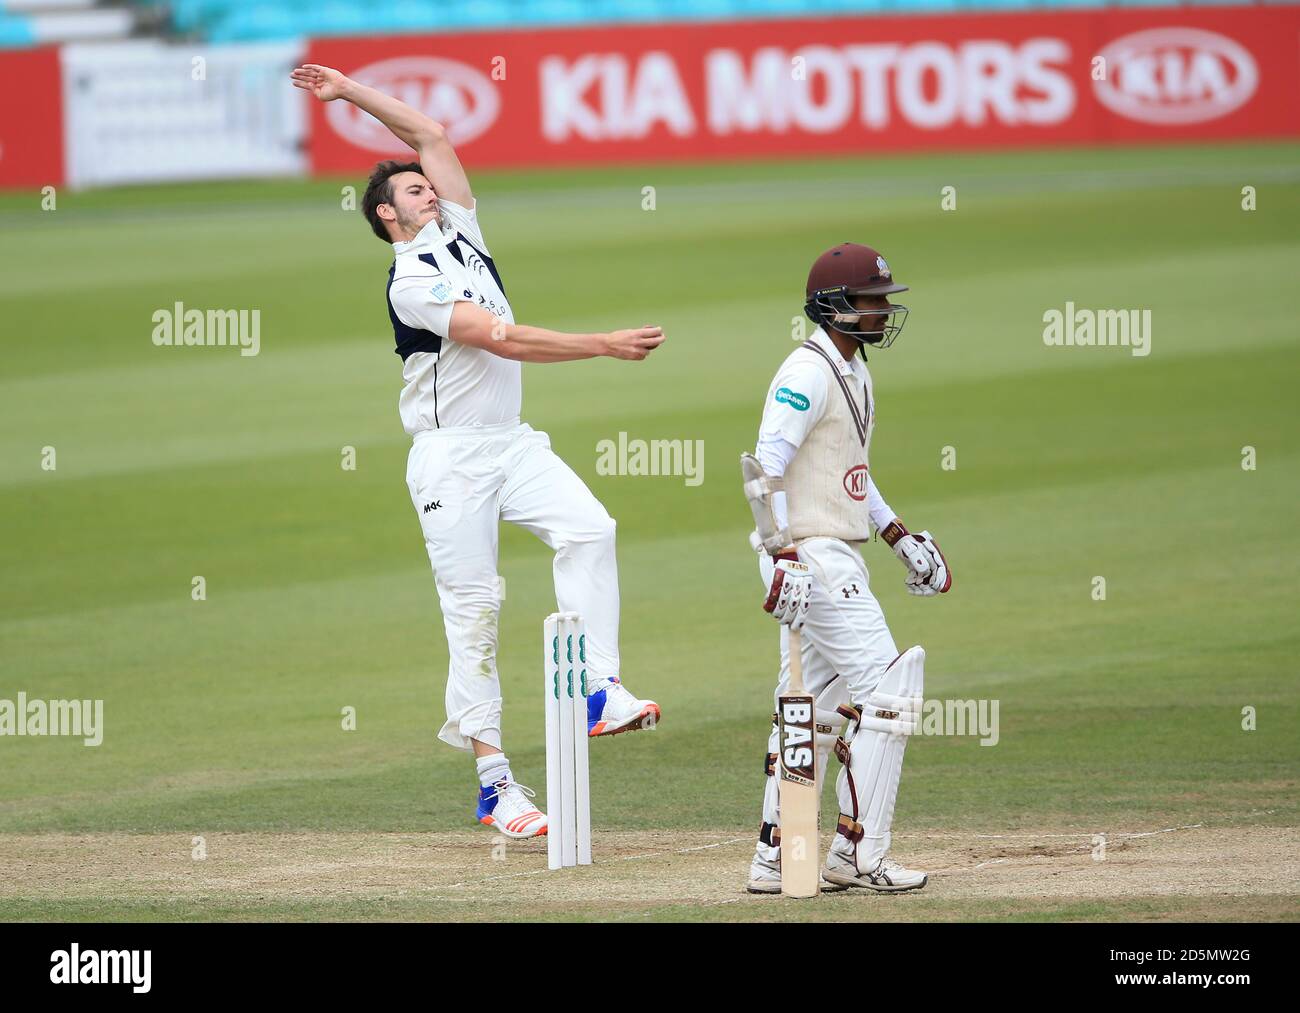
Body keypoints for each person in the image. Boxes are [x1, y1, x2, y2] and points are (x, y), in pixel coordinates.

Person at [291, 64, 663, 841]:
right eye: (414, 191)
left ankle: (599, 688)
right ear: (389, 218)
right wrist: (600, 344)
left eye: (429, 186)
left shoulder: (463, 233)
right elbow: (499, 337)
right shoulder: (410, 282)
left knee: (591, 530)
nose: (430, 187)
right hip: (451, 459)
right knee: (476, 614)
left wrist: (348, 91)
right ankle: (496, 783)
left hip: (513, 444)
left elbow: (430, 134)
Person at [741, 242, 951, 893]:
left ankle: (777, 855)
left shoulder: (855, 370)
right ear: (834, 305)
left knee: (813, 709)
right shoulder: (805, 372)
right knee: (891, 687)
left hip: (833, 548)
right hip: (812, 555)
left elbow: (848, 472)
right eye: (870, 300)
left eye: (884, 299)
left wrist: (897, 536)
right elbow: (765, 463)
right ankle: (857, 853)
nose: (882, 311)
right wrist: (778, 551)